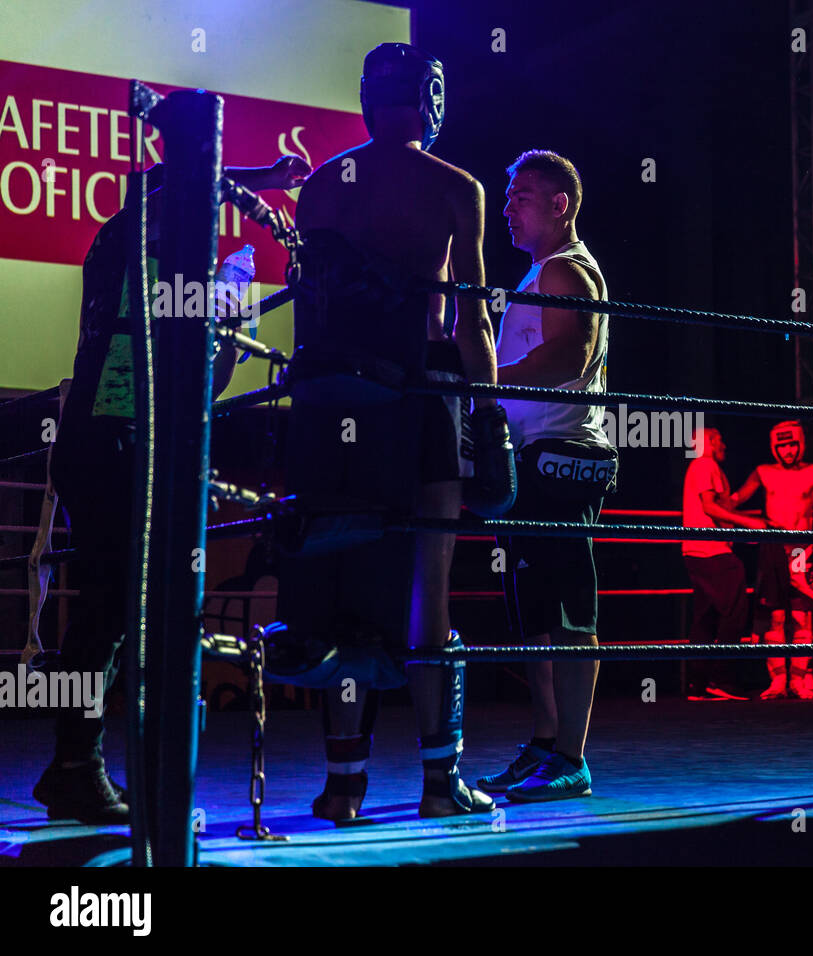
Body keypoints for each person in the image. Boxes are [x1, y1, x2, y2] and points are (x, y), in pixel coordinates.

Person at [32, 155, 308, 824]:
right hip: (113, 448)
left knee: (109, 617)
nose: (205, 220)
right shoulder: (153, 256)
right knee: (113, 616)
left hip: (101, 445)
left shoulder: (122, 238)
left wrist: (261, 185)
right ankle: (81, 768)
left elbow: (192, 384)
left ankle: (76, 765)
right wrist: (231, 302)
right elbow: (198, 384)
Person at [288, 42, 505, 820]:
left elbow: (309, 305)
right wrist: (488, 416)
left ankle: (342, 785)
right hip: (420, 387)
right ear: (430, 96)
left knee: (345, 581)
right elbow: (472, 313)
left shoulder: (321, 184)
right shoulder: (454, 186)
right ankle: (440, 783)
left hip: (332, 399)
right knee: (428, 595)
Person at [478, 150, 616, 801]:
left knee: (565, 608)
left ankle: (571, 755)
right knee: (533, 610)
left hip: (562, 455)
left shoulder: (565, 269)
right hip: (530, 454)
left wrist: (483, 385)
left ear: (560, 204)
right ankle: (546, 741)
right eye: (508, 195)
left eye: (522, 194)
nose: (508, 206)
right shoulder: (541, 270)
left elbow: (571, 354)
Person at [727, 421, 813, 699]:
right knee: (774, 617)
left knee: (802, 616)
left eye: (791, 444)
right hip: (773, 545)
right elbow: (735, 499)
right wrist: (711, 512)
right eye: (782, 445)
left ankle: (799, 680)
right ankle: (778, 681)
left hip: (803, 547)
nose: (787, 450)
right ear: (774, 447)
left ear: (800, 444)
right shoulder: (763, 472)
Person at [680, 427, 764, 700]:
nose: (723, 444)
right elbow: (710, 508)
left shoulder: (700, 467)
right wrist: (750, 524)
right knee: (735, 610)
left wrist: (737, 528)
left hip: (697, 549)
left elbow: (720, 508)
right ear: (709, 442)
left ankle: (699, 683)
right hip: (710, 550)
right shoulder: (705, 465)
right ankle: (721, 677)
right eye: (718, 439)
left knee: (705, 616)